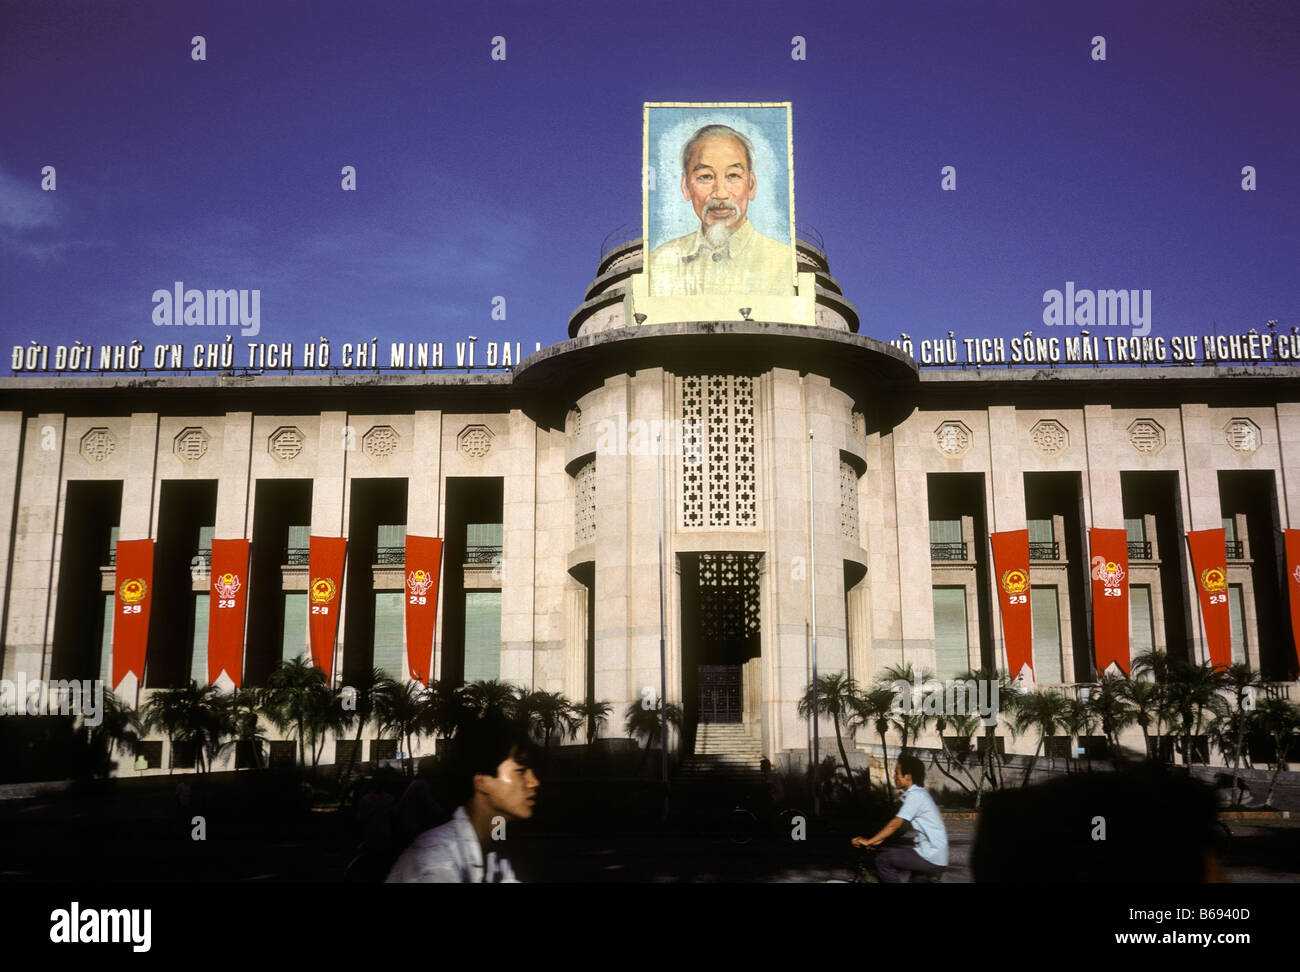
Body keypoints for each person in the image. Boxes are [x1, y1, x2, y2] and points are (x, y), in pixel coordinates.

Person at [386, 717, 539, 883]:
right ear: (482, 781)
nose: (534, 782)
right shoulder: (436, 862)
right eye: (521, 771)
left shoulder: (494, 851)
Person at [648, 124, 794, 297]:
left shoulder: (783, 261)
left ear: (752, 185)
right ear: (686, 187)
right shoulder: (658, 263)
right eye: (706, 177)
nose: (721, 193)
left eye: (733, 175)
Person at [851, 754, 949, 883]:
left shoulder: (916, 796)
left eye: (897, 773)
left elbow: (895, 824)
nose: (894, 777)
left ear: (907, 777)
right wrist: (878, 841)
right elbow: (903, 827)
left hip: (930, 854)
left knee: (883, 860)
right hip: (936, 855)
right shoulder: (919, 794)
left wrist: (869, 841)